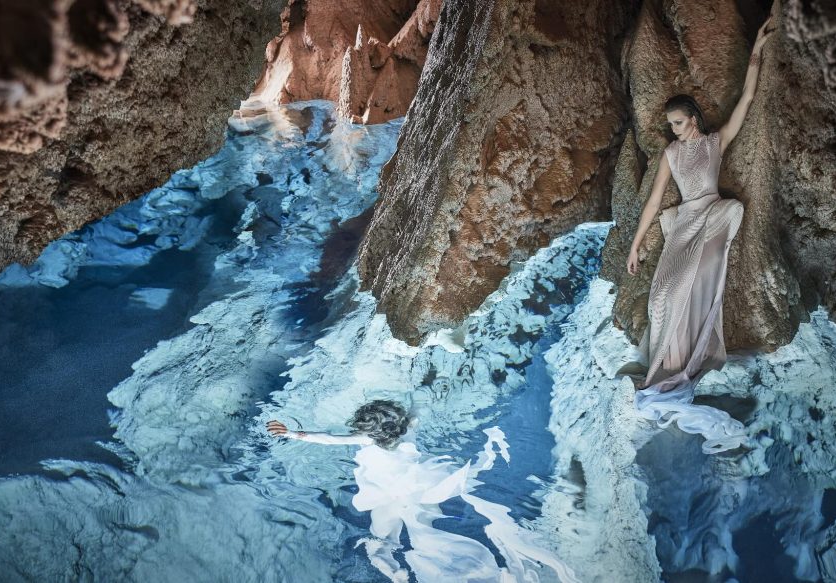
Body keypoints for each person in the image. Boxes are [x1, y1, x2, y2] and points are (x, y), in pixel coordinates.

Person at [618, 16, 776, 453]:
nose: (674, 130)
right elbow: (653, 202)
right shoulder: (670, 153)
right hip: (684, 223)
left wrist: (757, 51)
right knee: (661, 296)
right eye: (671, 125)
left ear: (694, 119)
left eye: (679, 123)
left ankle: (684, 364)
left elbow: (747, 98)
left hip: (712, 213)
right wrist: (634, 245)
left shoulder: (715, 142)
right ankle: (666, 369)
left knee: (689, 286)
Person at [266, 399, 579, 583]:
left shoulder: (366, 441)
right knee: (423, 530)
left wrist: (293, 433)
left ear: (369, 431)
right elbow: (417, 407)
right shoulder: (407, 428)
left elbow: (329, 438)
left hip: (387, 493)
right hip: (422, 485)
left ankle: (395, 573)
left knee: (381, 537)